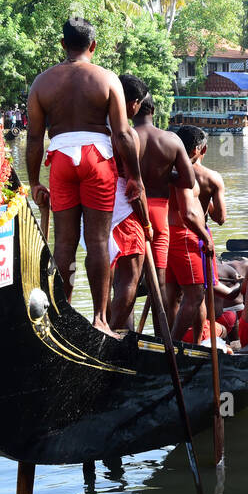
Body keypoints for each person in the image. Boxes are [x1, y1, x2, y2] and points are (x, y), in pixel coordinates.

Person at [26, 17, 141, 337]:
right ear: (93, 46)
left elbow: (34, 138)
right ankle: (100, 319)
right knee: (98, 242)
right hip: (98, 159)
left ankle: (62, 314)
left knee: (64, 242)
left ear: (63, 45)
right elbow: (123, 134)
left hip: (60, 158)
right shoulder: (107, 80)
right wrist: (134, 176)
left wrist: (34, 181)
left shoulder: (42, 83)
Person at [132, 91, 198, 328]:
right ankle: (163, 340)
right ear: (153, 111)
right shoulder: (170, 139)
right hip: (159, 212)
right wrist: (163, 176)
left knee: (125, 279)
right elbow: (188, 181)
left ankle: (120, 332)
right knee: (159, 283)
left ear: (133, 107)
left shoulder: (125, 136)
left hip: (131, 210)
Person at [103, 75, 153, 332]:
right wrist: (146, 222)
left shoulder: (95, 127)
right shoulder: (126, 133)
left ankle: (105, 324)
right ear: (133, 103)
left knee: (107, 271)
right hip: (123, 210)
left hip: (97, 207)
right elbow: (136, 186)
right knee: (130, 278)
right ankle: (109, 333)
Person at [166, 125, 220, 344]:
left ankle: (181, 343)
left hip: (166, 234)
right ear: (200, 149)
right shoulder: (183, 171)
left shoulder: (164, 167)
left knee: (172, 295)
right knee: (196, 295)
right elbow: (188, 212)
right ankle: (173, 346)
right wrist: (205, 237)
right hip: (184, 234)